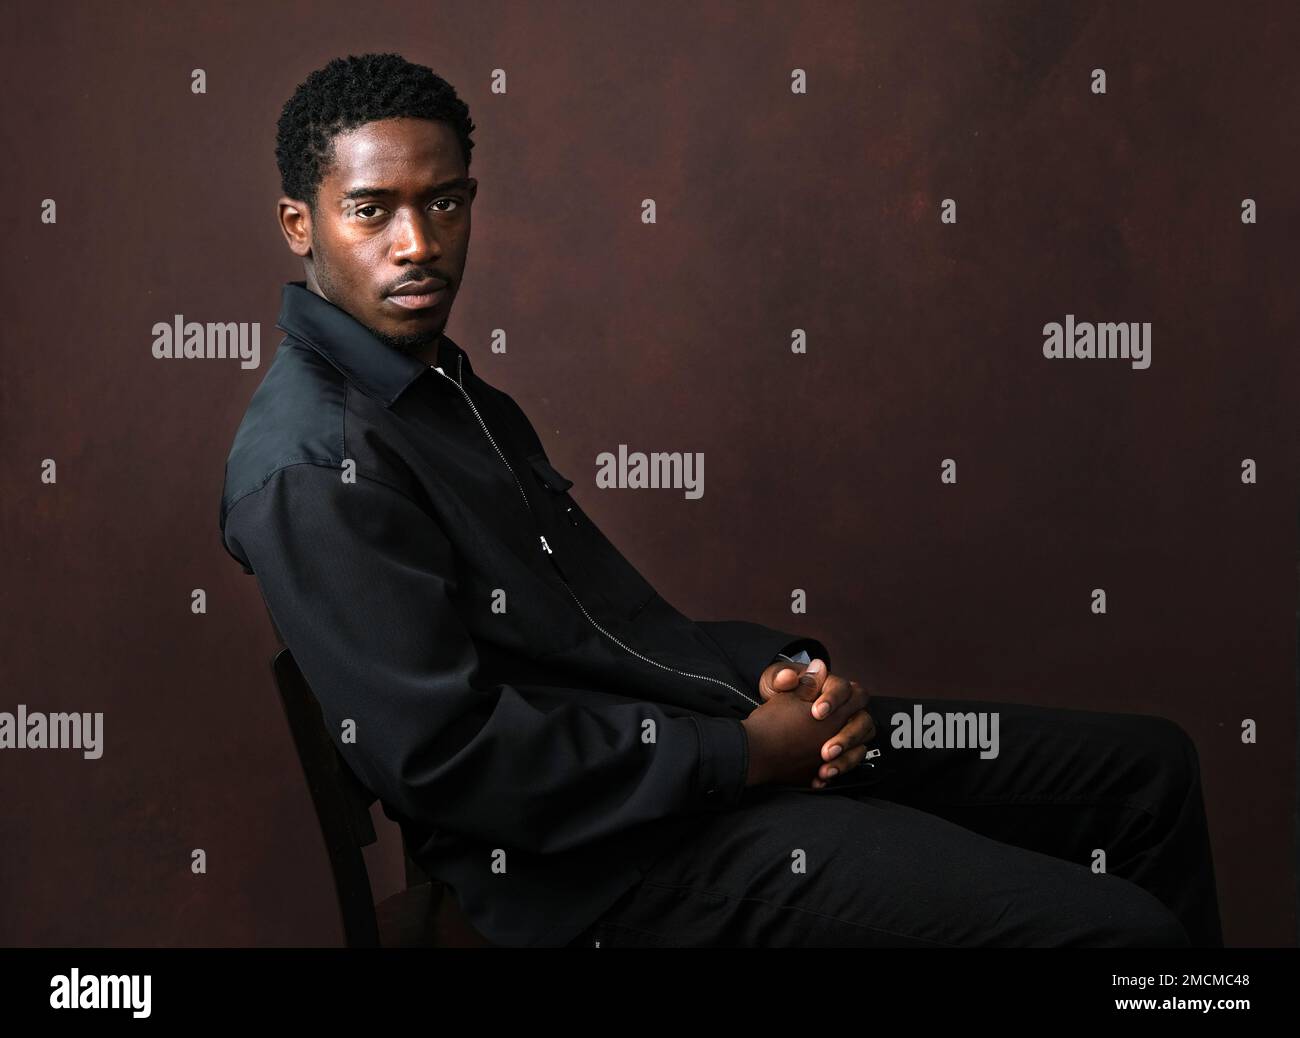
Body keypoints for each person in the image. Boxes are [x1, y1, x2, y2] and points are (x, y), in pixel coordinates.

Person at [219, 53, 1223, 948]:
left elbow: (604, 635)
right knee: (1120, 932)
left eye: (444, 201)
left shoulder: (444, 393)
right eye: (372, 208)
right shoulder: (315, 463)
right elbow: (451, 764)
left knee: (1145, 775)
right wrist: (738, 756)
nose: (417, 242)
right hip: (592, 871)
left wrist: (786, 679)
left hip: (691, 758)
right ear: (299, 222)